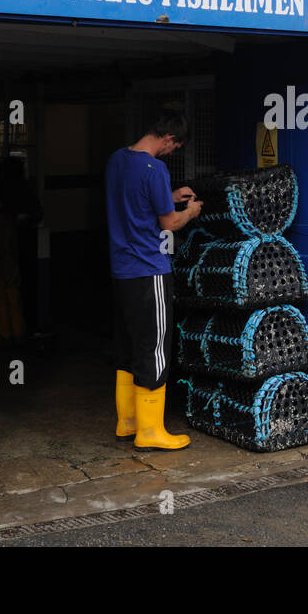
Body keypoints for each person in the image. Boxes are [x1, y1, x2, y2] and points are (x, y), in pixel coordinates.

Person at [105, 111, 202, 450]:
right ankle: (151, 432)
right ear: (167, 139)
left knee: (128, 347)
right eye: (174, 146)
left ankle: (126, 422)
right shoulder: (154, 169)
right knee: (155, 349)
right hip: (150, 271)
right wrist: (188, 211)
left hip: (122, 272)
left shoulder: (117, 160)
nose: (171, 153)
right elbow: (169, 225)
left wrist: (169, 195)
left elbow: (134, 202)